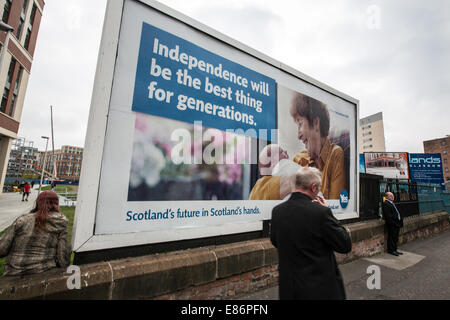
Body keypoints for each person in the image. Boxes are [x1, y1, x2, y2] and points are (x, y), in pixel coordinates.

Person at [270, 167, 352, 300]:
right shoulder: (321, 213)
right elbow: (344, 244)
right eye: (319, 188)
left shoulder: (277, 211)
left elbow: (275, 241)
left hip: (289, 290)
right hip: (317, 290)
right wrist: (330, 214)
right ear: (313, 187)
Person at [249, 93, 346, 200]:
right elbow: (256, 196)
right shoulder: (299, 158)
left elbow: (335, 205)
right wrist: (289, 183)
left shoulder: (335, 154)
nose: (298, 135)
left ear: (315, 122)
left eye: (300, 124)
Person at [0, 191, 71, 276]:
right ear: (56, 203)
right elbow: (63, 259)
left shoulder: (23, 220)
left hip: (13, 272)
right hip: (43, 273)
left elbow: (2, 248)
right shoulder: (61, 223)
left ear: (38, 203)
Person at [382, 192, 403, 256]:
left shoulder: (392, 203)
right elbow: (388, 216)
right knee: (391, 237)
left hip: (397, 223)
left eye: (393, 195)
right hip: (392, 224)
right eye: (391, 196)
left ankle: (395, 249)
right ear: (387, 197)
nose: (393, 197)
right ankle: (391, 250)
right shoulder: (386, 204)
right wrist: (393, 223)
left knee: (395, 238)